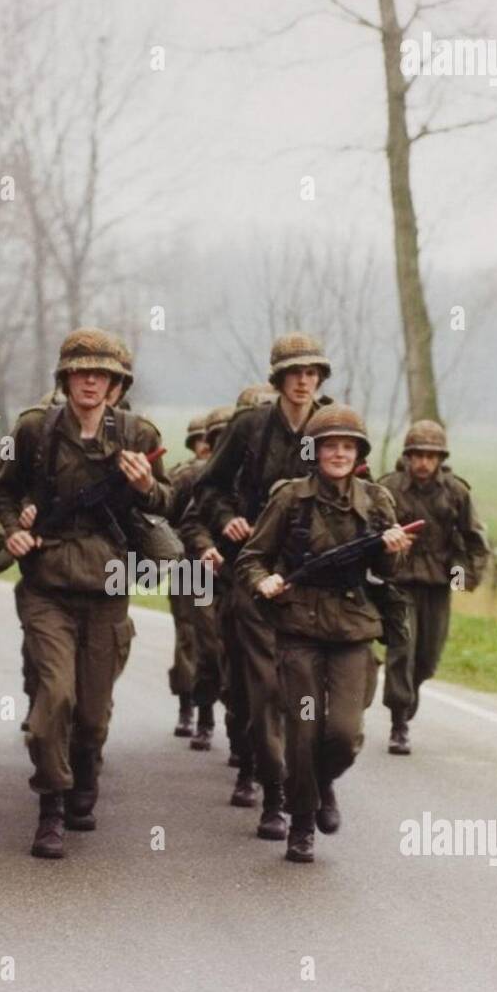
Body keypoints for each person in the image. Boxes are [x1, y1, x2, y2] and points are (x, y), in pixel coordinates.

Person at [0, 327, 172, 858]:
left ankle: (85, 774)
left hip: (109, 587)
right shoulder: (33, 430)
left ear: (116, 383)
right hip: (47, 584)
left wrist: (145, 487)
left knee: (92, 713)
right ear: (66, 377)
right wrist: (14, 526)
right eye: (81, 371)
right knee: (54, 700)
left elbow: (168, 504)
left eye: (102, 374)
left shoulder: (138, 434)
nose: (91, 381)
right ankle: (51, 805)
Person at [237, 406, 415, 862]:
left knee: (344, 733)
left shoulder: (376, 501)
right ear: (314, 452)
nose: (338, 453)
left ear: (358, 453)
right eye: (330, 445)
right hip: (299, 628)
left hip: (353, 627)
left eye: (347, 446)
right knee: (302, 730)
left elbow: (387, 572)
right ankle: (301, 824)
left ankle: (323, 782)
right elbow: (252, 557)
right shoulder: (290, 499)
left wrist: (394, 551)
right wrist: (264, 581)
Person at [194, 334, 334, 838]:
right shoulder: (250, 427)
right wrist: (227, 517)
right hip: (253, 572)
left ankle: (317, 783)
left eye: (312, 372)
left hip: (316, 582)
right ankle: (274, 791)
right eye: (294, 372)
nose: (303, 380)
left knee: (315, 694)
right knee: (263, 690)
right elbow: (206, 488)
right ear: (277, 378)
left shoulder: (332, 426)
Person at [376, 419, 489, 754]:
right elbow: (370, 535)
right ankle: (399, 721)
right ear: (407, 456)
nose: (424, 462)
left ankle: (412, 691)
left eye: (430, 455)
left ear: (440, 458)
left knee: (427, 659)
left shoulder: (456, 492)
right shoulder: (388, 489)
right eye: (417, 455)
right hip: (399, 582)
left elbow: (476, 541)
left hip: (438, 584)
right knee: (402, 649)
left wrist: (464, 578)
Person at [167, 414, 212, 738]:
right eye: (201, 441)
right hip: (188, 565)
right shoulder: (183, 476)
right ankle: (188, 705)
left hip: (223, 567)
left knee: (214, 643)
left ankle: (205, 710)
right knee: (188, 637)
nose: (206, 447)